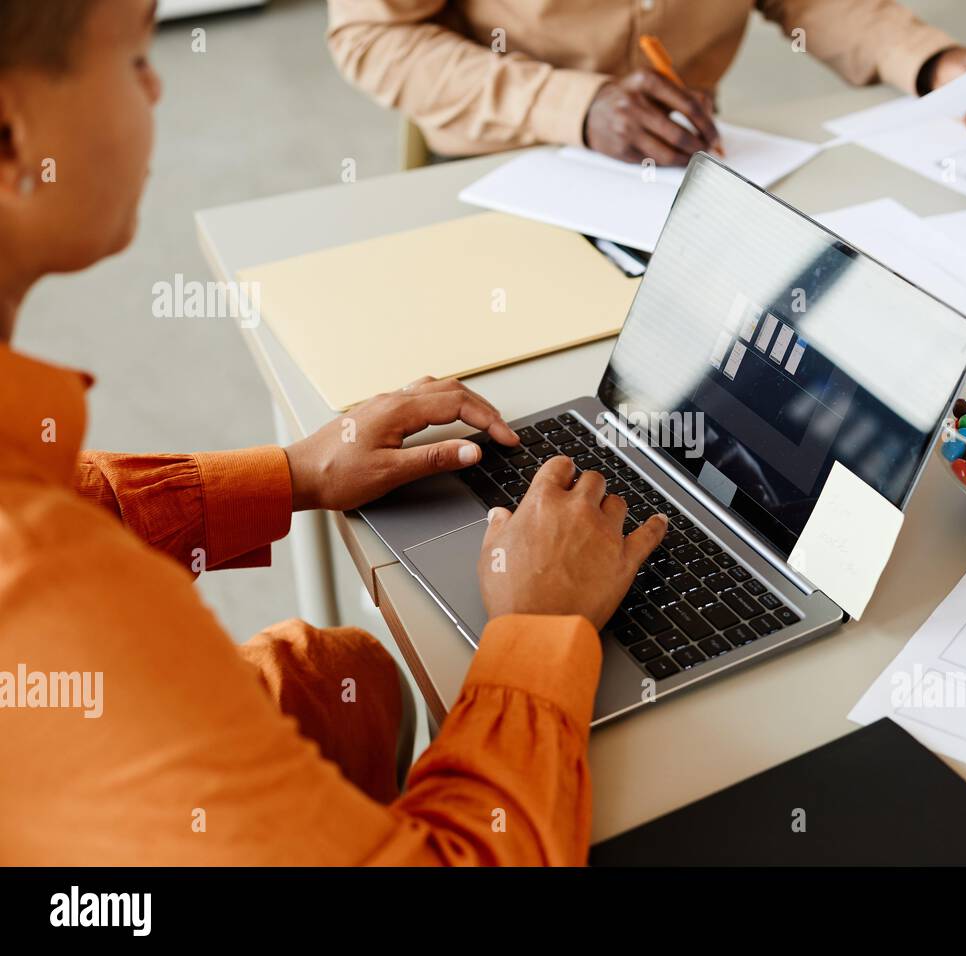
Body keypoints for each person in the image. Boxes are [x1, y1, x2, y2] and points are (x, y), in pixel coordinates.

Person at [0, 0, 665, 865]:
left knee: (337, 676)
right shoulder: (55, 609)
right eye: (133, 61)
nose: (158, 84)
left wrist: (296, 471)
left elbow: (59, 497)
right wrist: (536, 630)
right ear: (14, 142)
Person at [326, 0, 966, 164]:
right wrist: (573, 105)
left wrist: (933, 65)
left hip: (682, 158)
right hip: (498, 155)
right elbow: (370, 36)